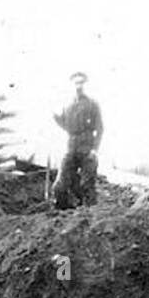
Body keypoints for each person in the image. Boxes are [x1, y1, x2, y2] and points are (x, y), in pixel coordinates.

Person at [52, 71, 104, 210]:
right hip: (71, 146)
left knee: (87, 185)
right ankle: (64, 216)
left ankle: (91, 216)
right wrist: (56, 117)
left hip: (87, 147)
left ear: (85, 84)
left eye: (81, 83)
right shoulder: (67, 106)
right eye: (76, 83)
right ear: (72, 85)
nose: (78, 86)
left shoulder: (92, 104)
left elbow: (99, 128)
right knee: (60, 186)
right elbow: (66, 126)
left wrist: (94, 150)